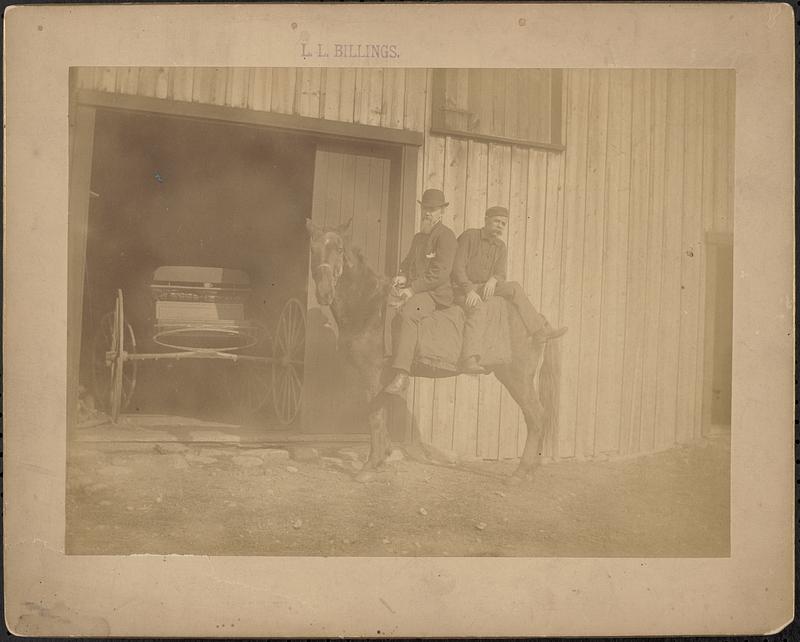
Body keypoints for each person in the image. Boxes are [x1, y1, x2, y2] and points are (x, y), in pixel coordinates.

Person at [453, 205, 567, 374]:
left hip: (484, 287)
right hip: (463, 289)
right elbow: (457, 267)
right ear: (486, 220)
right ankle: (469, 357)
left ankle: (539, 331)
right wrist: (468, 289)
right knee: (478, 309)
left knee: (514, 287)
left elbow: (500, 273)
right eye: (496, 222)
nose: (499, 226)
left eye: (503, 224)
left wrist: (493, 280)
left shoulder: (501, 246)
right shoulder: (470, 236)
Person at [384, 188, 458, 394]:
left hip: (436, 294)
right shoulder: (418, 238)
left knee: (408, 313)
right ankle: (387, 356)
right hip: (417, 289)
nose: (427, 213)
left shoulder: (446, 236)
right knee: (387, 300)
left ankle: (402, 374)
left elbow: (440, 273)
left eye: (432, 209)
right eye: (425, 208)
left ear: (441, 212)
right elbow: (408, 263)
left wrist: (412, 289)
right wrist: (402, 276)